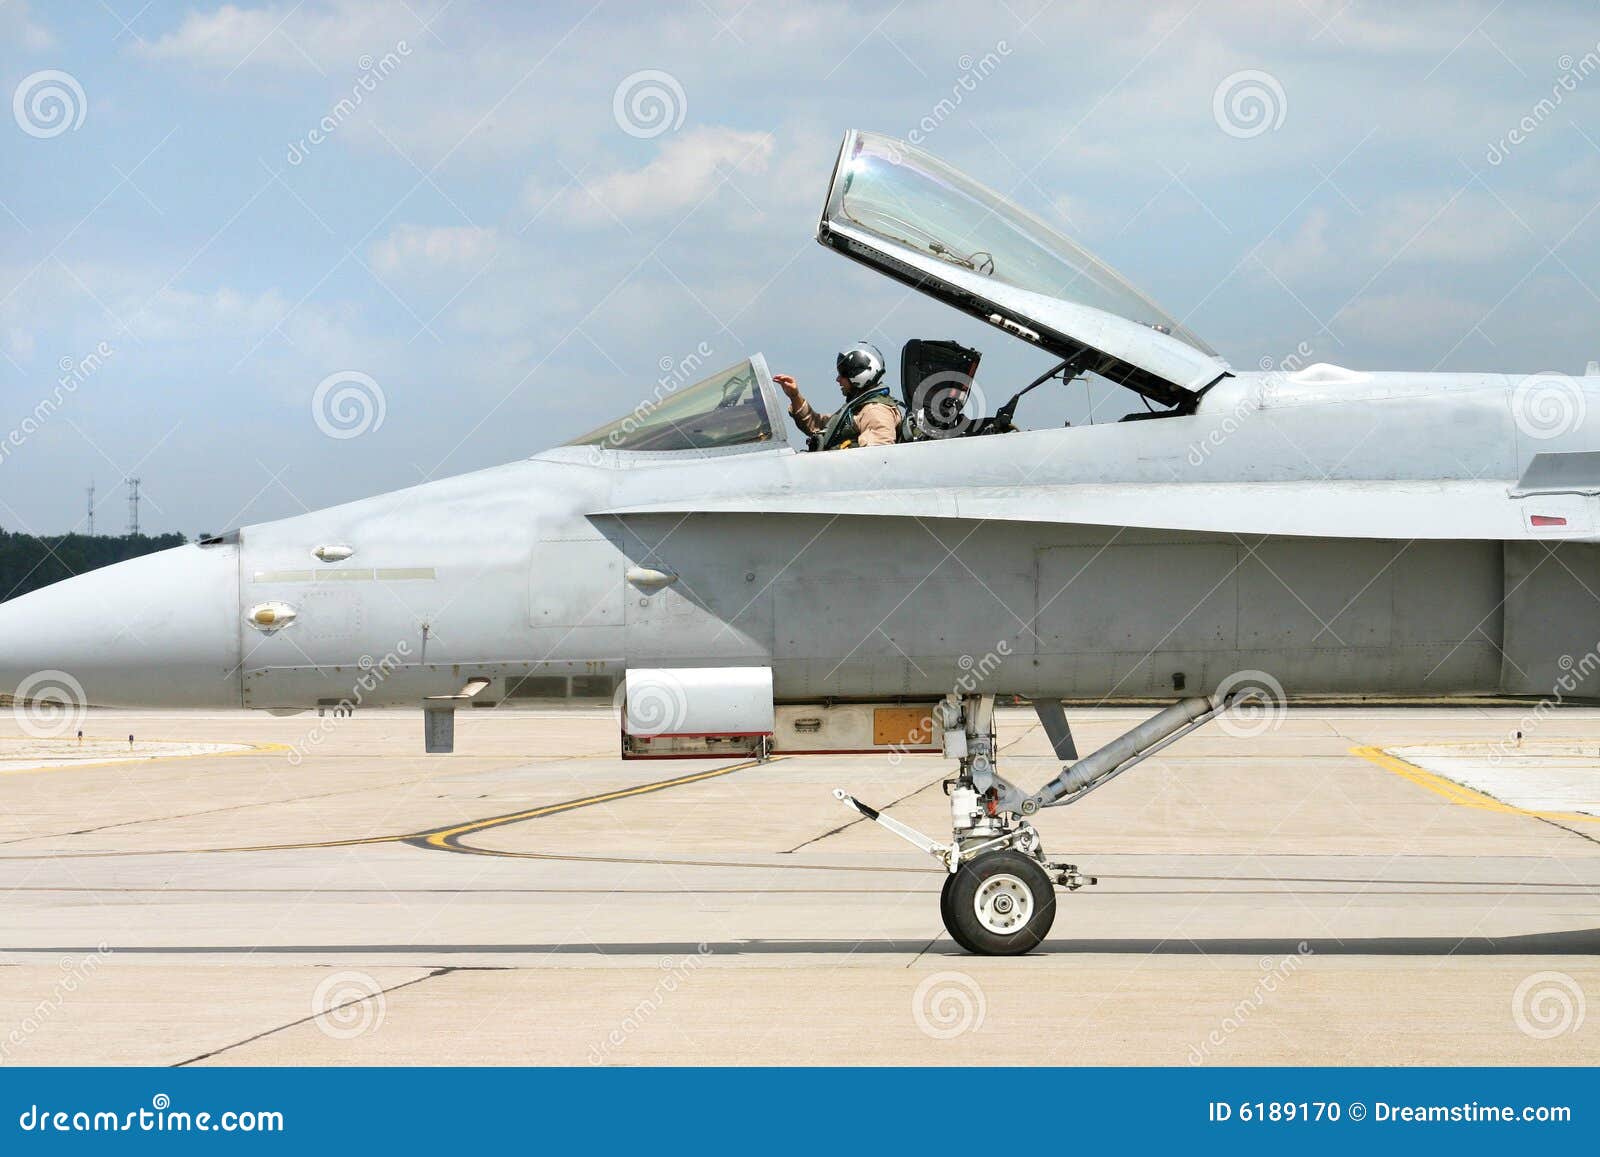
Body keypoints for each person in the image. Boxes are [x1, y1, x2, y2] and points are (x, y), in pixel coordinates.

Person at [774, 342, 901, 451]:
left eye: (842, 374)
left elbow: (878, 457)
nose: (838, 379)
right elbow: (818, 427)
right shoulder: (857, 410)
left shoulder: (875, 411)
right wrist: (795, 396)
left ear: (859, 375)